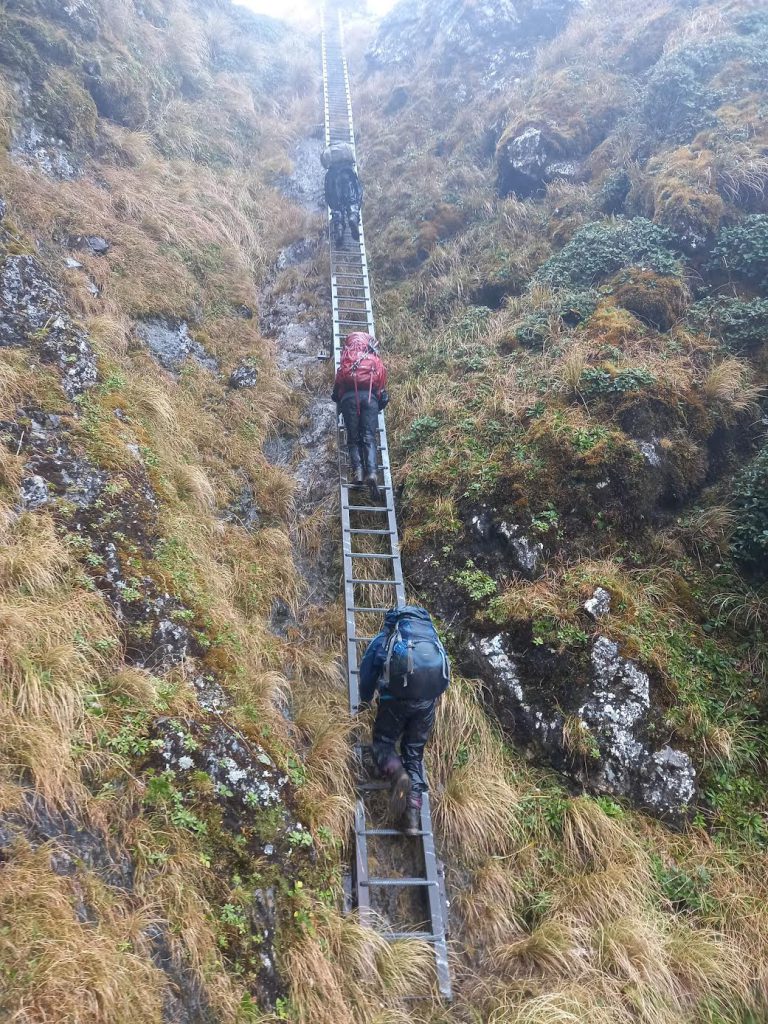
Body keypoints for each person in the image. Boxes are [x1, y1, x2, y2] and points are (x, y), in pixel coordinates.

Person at [359, 606, 451, 835]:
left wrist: (365, 699)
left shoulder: (387, 638)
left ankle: (397, 772)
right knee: (414, 752)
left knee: (383, 743)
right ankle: (412, 814)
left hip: (396, 701)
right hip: (426, 704)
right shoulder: (432, 640)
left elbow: (368, 672)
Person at [332, 332, 388, 499]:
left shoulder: (346, 360)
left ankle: (358, 473)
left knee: (353, 439)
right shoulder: (375, 360)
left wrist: (341, 399)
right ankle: (371, 473)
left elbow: (335, 394)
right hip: (370, 400)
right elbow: (383, 394)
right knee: (369, 437)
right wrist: (377, 406)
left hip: (349, 400)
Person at [324, 160, 363, 245]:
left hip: (333, 177)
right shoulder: (348, 158)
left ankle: (339, 230)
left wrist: (330, 201)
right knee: (352, 201)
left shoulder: (330, 157)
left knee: (337, 207)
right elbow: (358, 189)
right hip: (348, 175)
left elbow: (327, 192)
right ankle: (353, 217)